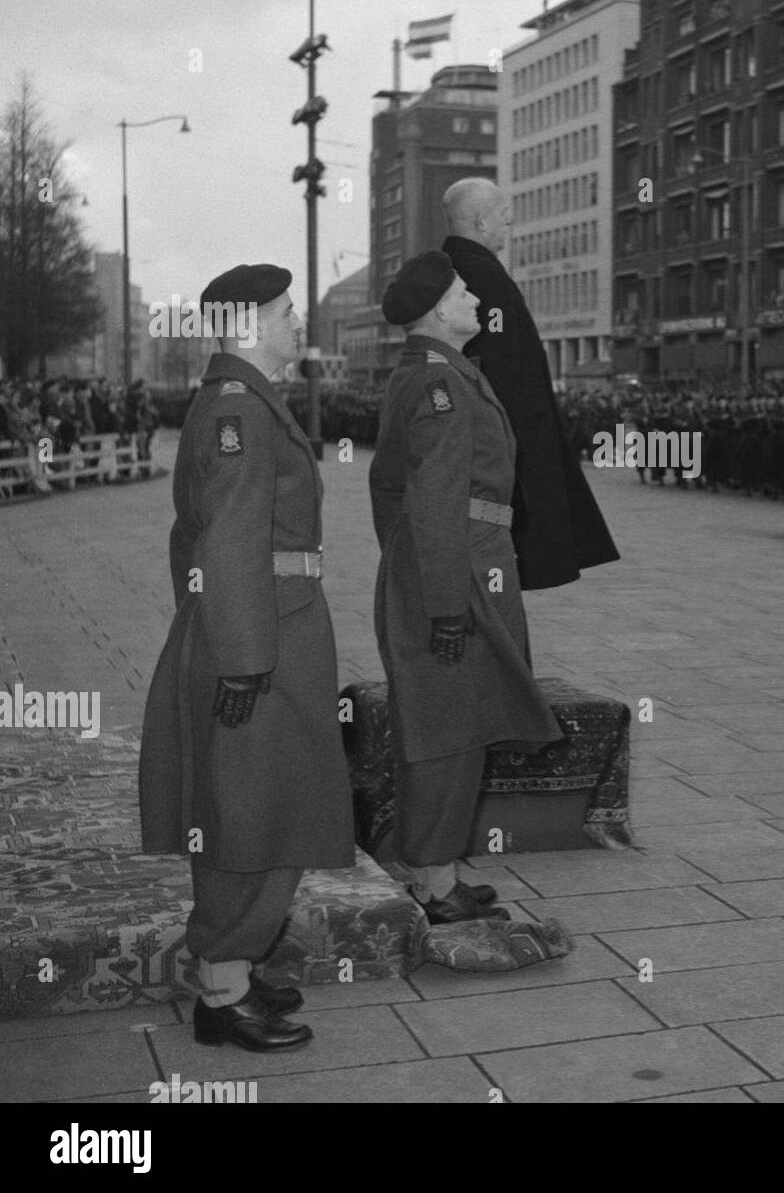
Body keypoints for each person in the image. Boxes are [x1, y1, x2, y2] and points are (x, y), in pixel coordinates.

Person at [138, 264, 354, 1053]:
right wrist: (238, 657)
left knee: (270, 804)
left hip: (270, 626)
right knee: (249, 813)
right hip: (262, 637)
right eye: (287, 312)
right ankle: (222, 994)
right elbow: (226, 540)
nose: (299, 325)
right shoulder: (238, 410)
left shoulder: (241, 402)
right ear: (248, 324)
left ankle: (237, 961)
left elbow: (190, 541)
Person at [369, 250, 565, 927]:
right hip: (458, 568)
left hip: (465, 558)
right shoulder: (438, 386)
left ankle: (438, 869)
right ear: (435, 311)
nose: (475, 301)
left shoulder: (442, 373)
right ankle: (430, 877)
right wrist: (444, 599)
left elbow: (391, 495)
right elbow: (430, 498)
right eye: (462, 293)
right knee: (447, 728)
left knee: (463, 720)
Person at [440, 177, 618, 591]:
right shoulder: (482, 276)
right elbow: (501, 380)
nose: (510, 225)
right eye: (504, 217)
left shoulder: (456, 268)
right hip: (500, 461)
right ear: (482, 223)